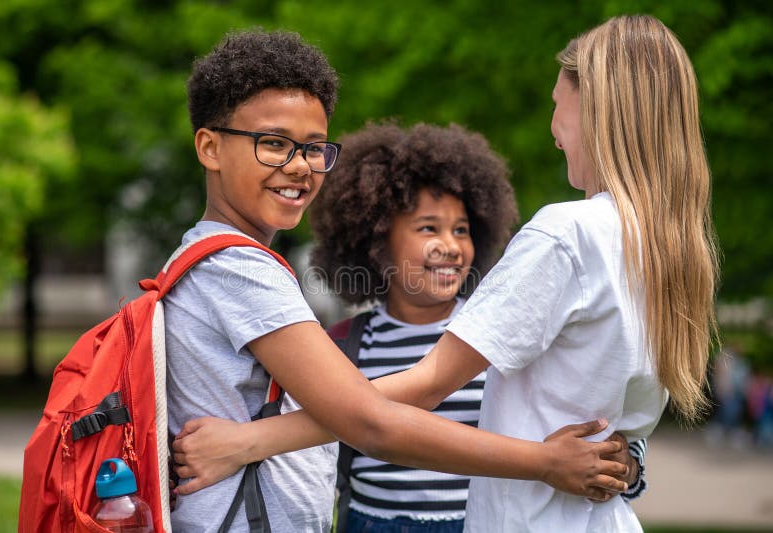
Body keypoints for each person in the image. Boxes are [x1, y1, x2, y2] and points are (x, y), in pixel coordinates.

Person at [173, 15, 716, 532]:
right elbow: (619, 424)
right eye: (274, 143)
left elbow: (407, 397)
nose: (554, 130)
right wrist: (610, 461)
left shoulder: (568, 234)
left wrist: (250, 441)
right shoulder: (669, 250)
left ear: (596, 109)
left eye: (558, 105)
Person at [172, 121, 647, 532]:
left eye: (461, 230)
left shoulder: (503, 335)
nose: (450, 246)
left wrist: (630, 463)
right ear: (378, 241)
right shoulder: (343, 346)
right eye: (427, 229)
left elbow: (595, 412)